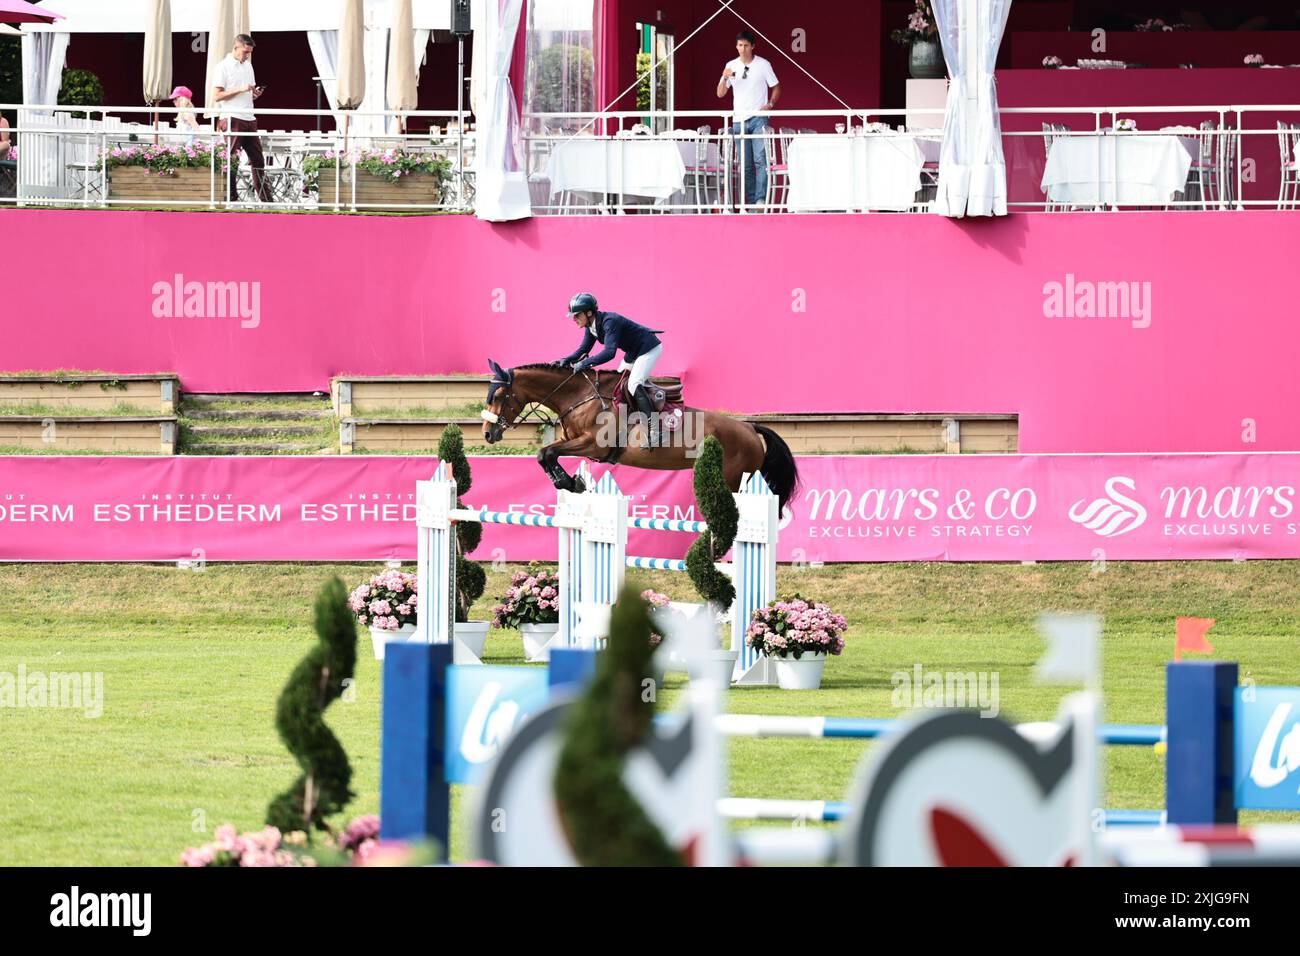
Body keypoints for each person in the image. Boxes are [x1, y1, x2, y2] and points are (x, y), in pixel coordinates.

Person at [554, 293, 667, 447]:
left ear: (589, 312)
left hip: (648, 349)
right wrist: (567, 360)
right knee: (617, 386)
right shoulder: (591, 326)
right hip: (634, 352)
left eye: (577, 315)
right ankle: (629, 427)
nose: (574, 319)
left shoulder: (609, 322)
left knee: (633, 384)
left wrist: (585, 363)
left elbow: (609, 352)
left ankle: (656, 431)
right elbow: (584, 348)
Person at [716, 30, 781, 208]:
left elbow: (776, 87)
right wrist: (724, 77)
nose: (742, 49)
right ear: (736, 47)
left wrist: (770, 104)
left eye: (746, 45)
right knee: (745, 164)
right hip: (738, 120)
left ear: (753, 46)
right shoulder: (731, 65)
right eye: (740, 45)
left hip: (759, 118)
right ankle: (751, 202)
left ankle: (761, 201)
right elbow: (721, 93)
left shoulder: (763, 64)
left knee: (761, 160)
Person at [212, 34, 270, 202]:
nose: (246, 55)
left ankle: (266, 200)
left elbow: (247, 94)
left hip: (249, 117)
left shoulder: (248, 66)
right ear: (236, 48)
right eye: (245, 52)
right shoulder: (222, 67)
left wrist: (255, 94)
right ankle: (231, 198)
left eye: (249, 53)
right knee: (232, 160)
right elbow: (216, 96)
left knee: (258, 160)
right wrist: (240, 89)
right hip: (232, 117)